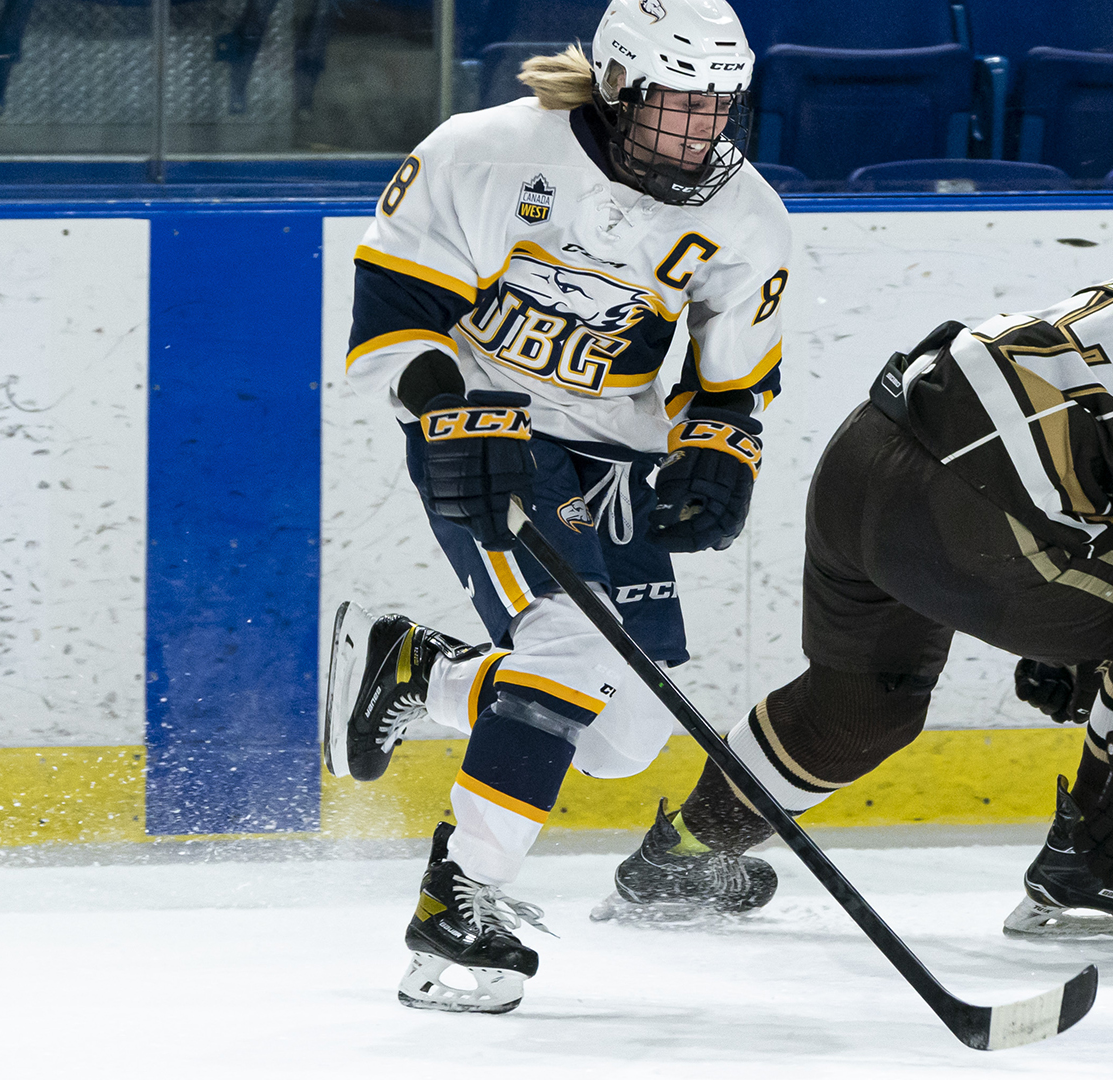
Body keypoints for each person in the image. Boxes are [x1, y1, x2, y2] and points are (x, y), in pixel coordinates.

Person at [605, 187, 1113, 936]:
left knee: (864, 704)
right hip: (965, 520)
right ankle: (1097, 865)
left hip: (865, 461)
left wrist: (1074, 648)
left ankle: (680, 860)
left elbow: (1100, 461)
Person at [321, 0, 791, 1013]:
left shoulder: (745, 215)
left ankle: (418, 669)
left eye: (719, 106)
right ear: (620, 85)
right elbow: (397, 316)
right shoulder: (486, 154)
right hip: (488, 432)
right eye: (680, 103)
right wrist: (447, 415)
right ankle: (460, 907)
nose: (703, 127)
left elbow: (730, 379)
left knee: (625, 741)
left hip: (613, 454)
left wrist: (721, 453)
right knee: (572, 646)